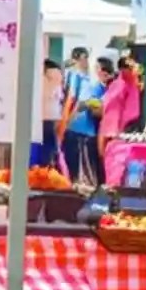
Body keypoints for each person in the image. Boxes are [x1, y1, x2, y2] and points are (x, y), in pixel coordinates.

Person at [60, 48, 106, 186]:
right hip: (77, 128)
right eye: (84, 58)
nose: (86, 61)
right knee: (78, 169)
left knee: (82, 170)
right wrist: (66, 123)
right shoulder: (77, 77)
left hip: (86, 131)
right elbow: (73, 100)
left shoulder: (96, 82)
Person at [99, 56, 141, 155]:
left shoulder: (129, 84)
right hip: (114, 126)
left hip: (121, 126)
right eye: (129, 68)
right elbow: (109, 106)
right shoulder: (119, 84)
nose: (132, 70)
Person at [32, 59, 65, 167]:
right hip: (48, 119)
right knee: (48, 151)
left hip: (42, 119)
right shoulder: (54, 79)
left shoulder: (41, 79)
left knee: (43, 151)